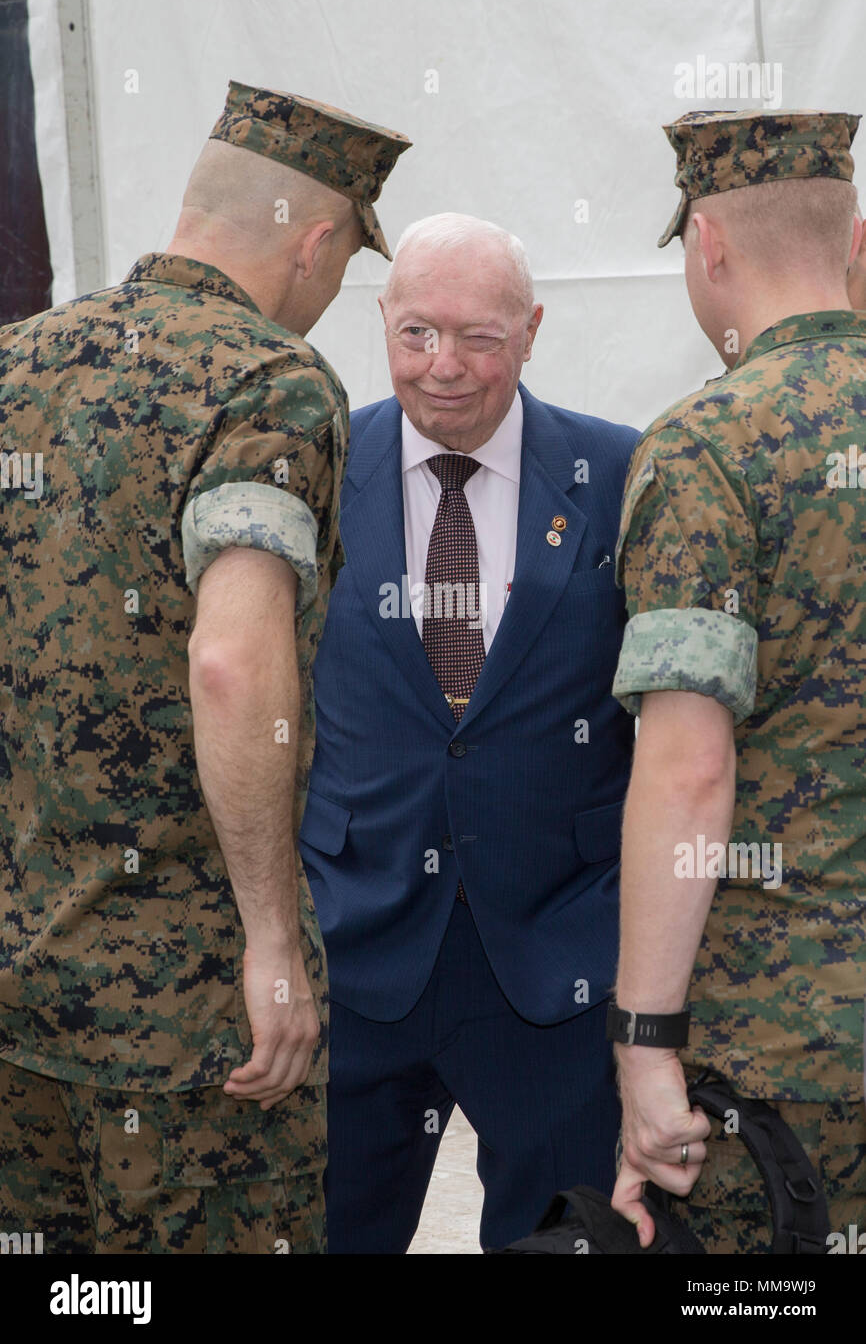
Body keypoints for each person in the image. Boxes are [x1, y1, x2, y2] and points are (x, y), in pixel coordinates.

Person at [0, 80, 409, 1254]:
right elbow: (233, 662)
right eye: (345, 267)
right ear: (316, 238)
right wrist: (271, 940)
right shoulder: (266, 382)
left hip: (20, 990)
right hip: (185, 1021)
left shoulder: (18, 362)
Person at [298, 212, 639, 1252]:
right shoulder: (307, 469)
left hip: (555, 961)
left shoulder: (624, 474)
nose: (442, 366)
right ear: (381, 323)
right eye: (414, 334)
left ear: (530, 329)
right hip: (354, 950)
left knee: (561, 1238)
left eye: (477, 338)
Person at [609, 109, 866, 1253]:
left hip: (793, 1048)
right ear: (849, 239)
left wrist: (641, 1037)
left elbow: (688, 765)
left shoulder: (711, 447)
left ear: (705, 244)